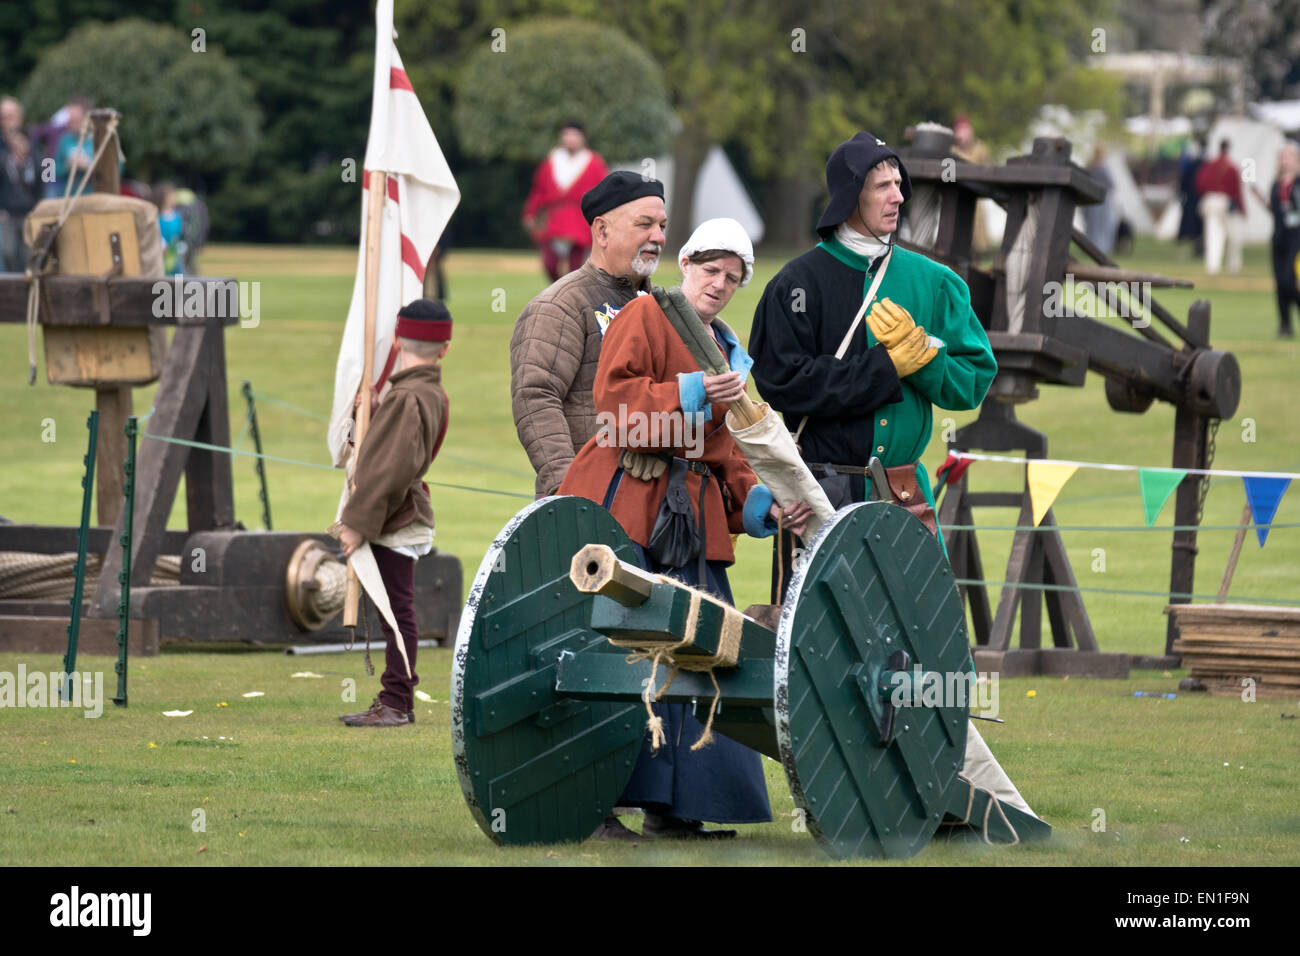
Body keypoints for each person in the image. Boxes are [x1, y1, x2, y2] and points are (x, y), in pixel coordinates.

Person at [750, 131, 1039, 820]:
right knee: (823, 645)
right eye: (882, 185)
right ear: (850, 195)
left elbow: (971, 379)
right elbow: (783, 385)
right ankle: (837, 794)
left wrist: (925, 361)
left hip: (902, 489)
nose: (897, 196)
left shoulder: (934, 284)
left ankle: (937, 782)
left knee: (918, 636)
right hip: (822, 485)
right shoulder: (795, 284)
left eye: (899, 185)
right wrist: (885, 368)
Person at [559, 218, 813, 840]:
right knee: (617, 655)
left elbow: (722, 452)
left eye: (732, 277)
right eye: (710, 270)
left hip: (692, 522)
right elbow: (614, 410)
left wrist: (762, 506)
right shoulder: (644, 317)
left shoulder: (728, 350)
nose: (719, 284)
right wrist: (693, 390)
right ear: (686, 264)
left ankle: (678, 810)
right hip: (629, 510)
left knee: (704, 654)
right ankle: (597, 805)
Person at [511, 170, 667, 498]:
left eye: (662, 226)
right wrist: (570, 490)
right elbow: (536, 398)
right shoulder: (560, 305)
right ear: (602, 230)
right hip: (591, 504)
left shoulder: (664, 308)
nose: (658, 237)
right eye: (644, 224)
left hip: (658, 507)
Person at [335, 299, 451, 727]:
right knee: (394, 612)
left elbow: (391, 468)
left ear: (398, 339)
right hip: (397, 513)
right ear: (445, 348)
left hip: (395, 516)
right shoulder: (416, 392)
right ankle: (394, 699)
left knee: (396, 612)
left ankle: (397, 702)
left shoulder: (408, 395)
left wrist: (355, 524)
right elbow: (383, 451)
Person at [522, 120, 609, 281]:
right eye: (567, 135)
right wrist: (531, 213)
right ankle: (558, 292)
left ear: (583, 138)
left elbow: (603, 192)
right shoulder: (551, 161)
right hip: (554, 220)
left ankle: (572, 297)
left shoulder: (594, 163)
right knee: (550, 263)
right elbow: (539, 191)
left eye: (574, 135)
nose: (570, 139)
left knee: (576, 266)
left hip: (580, 220)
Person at [1250, 141, 1300, 338]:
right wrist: (1260, 198)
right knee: (1279, 283)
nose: (1283, 159)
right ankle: (1285, 324)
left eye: (1287, 156)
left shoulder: (1297, 183)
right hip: (1278, 237)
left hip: (1296, 237)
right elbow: (1276, 211)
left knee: (1289, 280)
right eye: (1282, 156)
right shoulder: (1275, 184)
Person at [0, 96, 38, 272]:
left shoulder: (38, 148)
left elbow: (50, 180)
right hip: (7, 214)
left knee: (31, 257)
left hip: (32, 213)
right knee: (8, 255)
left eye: (8, 116)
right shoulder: (3, 154)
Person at [1195, 139, 1244, 276]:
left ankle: (1213, 266)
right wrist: (1242, 208)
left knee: (1213, 235)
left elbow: (1200, 184)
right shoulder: (1231, 167)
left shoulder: (1209, 165)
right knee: (1232, 235)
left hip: (1210, 201)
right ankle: (1233, 265)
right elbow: (1236, 190)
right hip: (1225, 201)